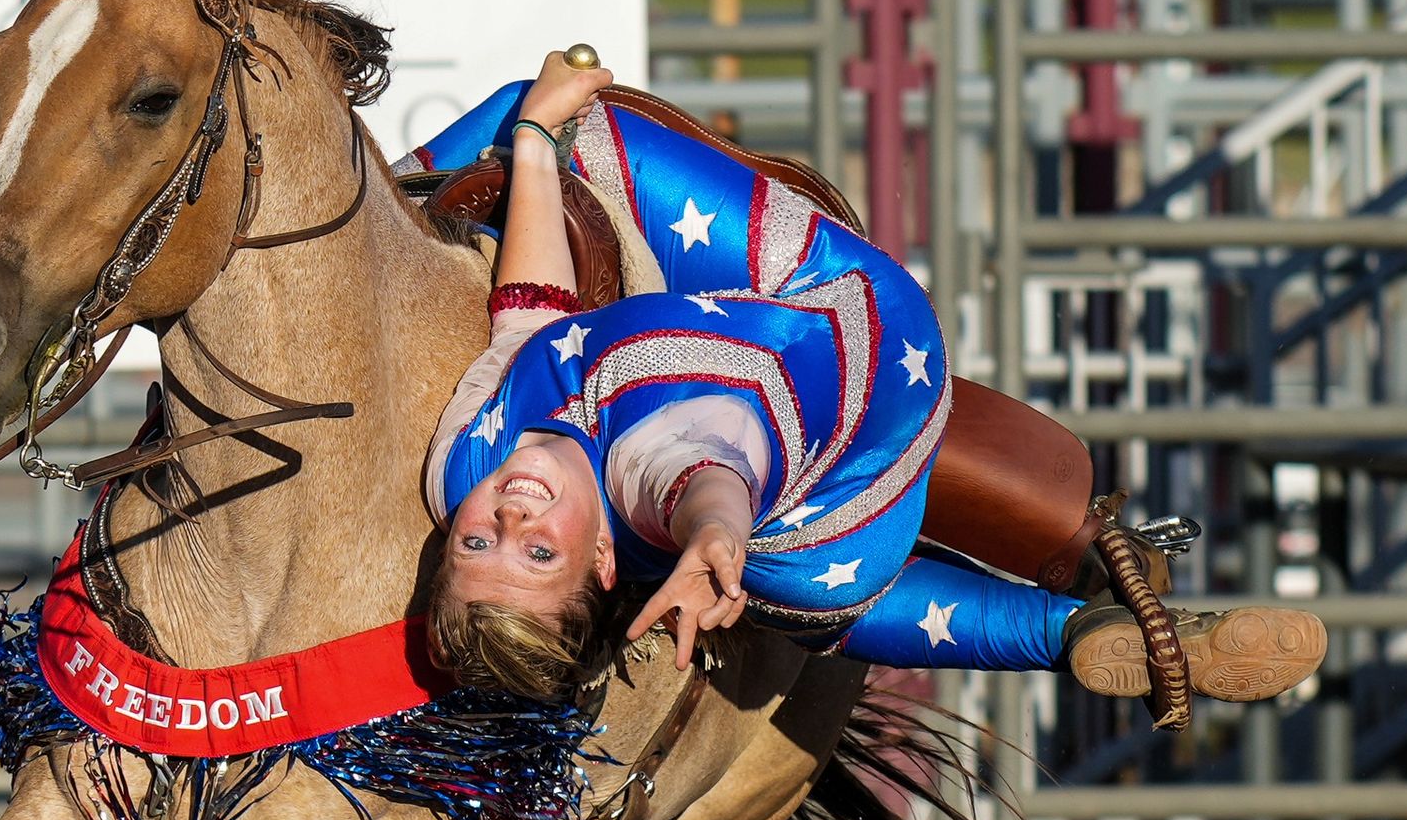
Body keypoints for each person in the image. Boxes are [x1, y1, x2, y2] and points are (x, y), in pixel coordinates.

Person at [408, 51, 1326, 708]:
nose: (512, 520)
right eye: (539, 555)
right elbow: (700, 468)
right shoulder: (647, 468)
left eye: (479, 545)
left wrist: (535, 139)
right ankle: (1075, 564)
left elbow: (527, 319)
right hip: (851, 346)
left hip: (783, 487)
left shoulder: (459, 469)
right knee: (806, 578)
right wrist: (713, 534)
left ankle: (1065, 625)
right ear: (602, 563)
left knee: (520, 122)